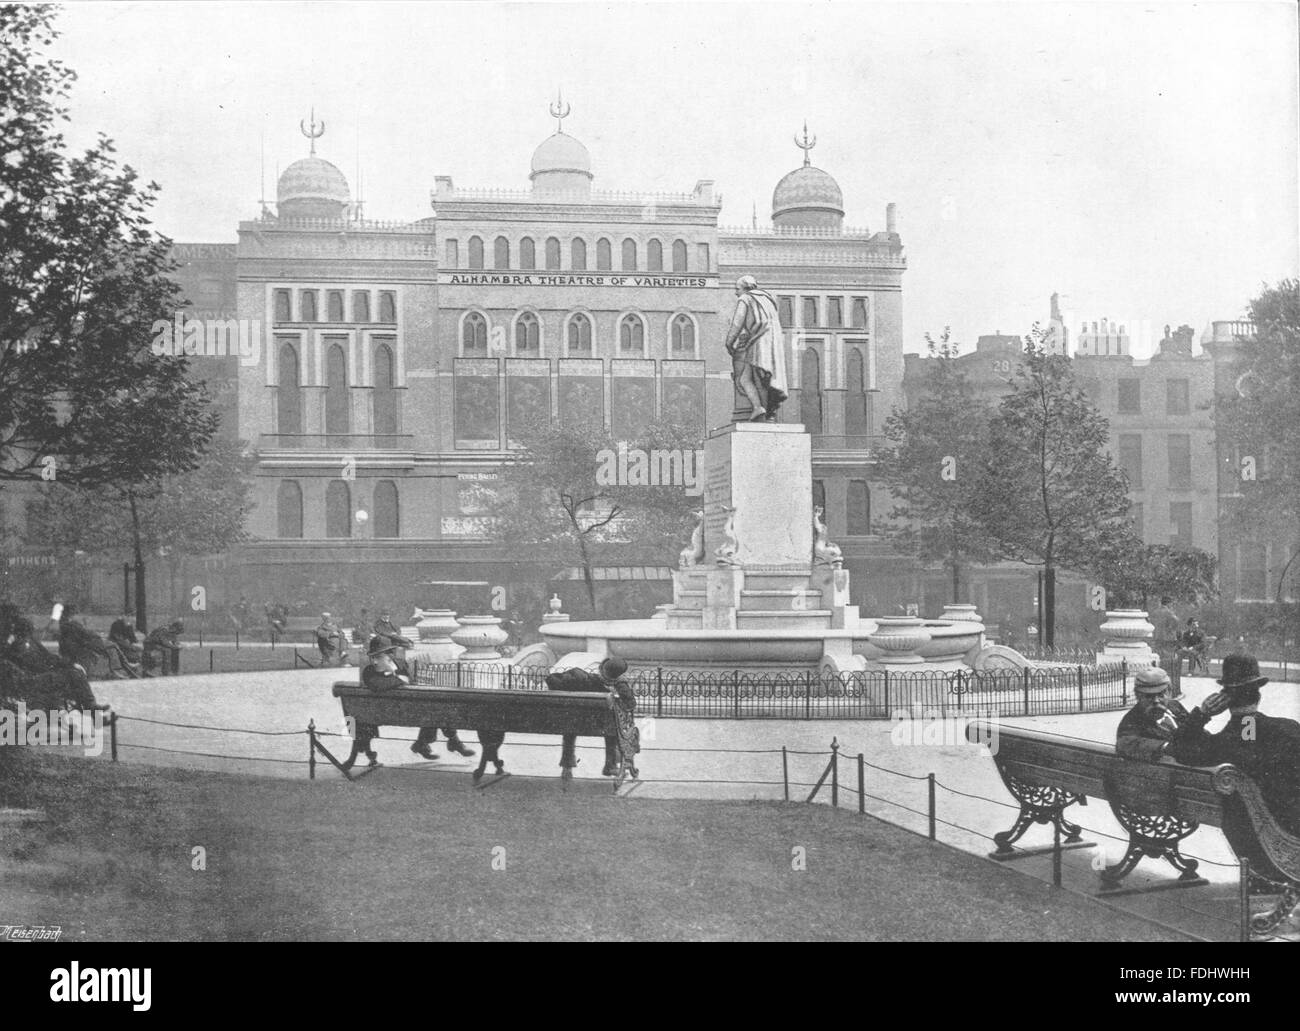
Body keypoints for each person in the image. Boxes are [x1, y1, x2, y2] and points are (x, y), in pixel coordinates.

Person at [1167, 654, 1300, 875]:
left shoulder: (1220, 745)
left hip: (1257, 840)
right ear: (1258, 692)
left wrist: (1200, 716)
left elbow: (1179, 748)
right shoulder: (1288, 730)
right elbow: (1250, 734)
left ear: (1225, 698)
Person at [546, 657, 639, 777]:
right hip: (601, 725)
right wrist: (620, 685)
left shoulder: (582, 679)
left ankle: (567, 766)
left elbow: (551, 681)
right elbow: (631, 704)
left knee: (569, 728)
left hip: (574, 722)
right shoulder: (615, 686)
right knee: (613, 728)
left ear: (601, 669)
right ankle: (610, 766)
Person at [722, 275, 789, 422]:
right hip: (772, 345)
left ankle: (760, 409)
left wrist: (729, 342)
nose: (736, 293)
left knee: (753, 379)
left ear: (746, 289)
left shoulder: (746, 298)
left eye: (737, 289)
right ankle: (763, 410)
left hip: (758, 344)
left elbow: (737, 323)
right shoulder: (768, 301)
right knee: (756, 379)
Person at [3, 614, 98, 710]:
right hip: (34, 680)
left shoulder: (30, 642)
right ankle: (91, 707)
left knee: (75, 673)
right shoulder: (17, 646)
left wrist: (71, 664)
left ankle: (92, 708)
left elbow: (48, 656)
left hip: (40, 676)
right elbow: (37, 663)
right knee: (74, 674)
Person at [1115, 667, 1189, 762]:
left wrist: (1202, 715)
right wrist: (1166, 747)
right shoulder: (1131, 722)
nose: (1156, 701)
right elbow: (1124, 744)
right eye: (1149, 696)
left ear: (1169, 692)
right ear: (1137, 696)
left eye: (1161, 695)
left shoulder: (1175, 706)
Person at [57, 605, 119, 678]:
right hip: (81, 648)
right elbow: (86, 635)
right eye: (77, 613)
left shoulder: (65, 624)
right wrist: (97, 636)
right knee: (113, 646)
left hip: (73, 648)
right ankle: (117, 669)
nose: (78, 615)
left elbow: (84, 635)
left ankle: (118, 668)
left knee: (110, 645)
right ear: (72, 614)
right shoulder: (73, 625)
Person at [1150, 596, 1183, 698]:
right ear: (1169, 603)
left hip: (1157, 638)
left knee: (1157, 661)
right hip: (1167, 640)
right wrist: (1170, 629)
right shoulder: (1169, 612)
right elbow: (1176, 621)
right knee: (1169, 663)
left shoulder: (1155, 612)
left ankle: (1157, 686)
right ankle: (1170, 689)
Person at [371, 609, 414, 675]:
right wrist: (391, 634)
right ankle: (407, 642)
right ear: (381, 616)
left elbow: (397, 630)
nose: (386, 617)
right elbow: (380, 632)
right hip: (385, 640)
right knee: (396, 640)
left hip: (392, 639)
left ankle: (407, 643)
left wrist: (395, 633)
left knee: (397, 640)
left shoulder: (390, 623)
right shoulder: (378, 623)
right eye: (385, 615)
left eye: (387, 615)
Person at [108, 611, 143, 676]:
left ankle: (137, 669)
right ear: (123, 616)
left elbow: (133, 639)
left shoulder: (129, 625)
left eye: (132, 616)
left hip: (126, 645)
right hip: (117, 645)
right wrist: (131, 646)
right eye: (128, 616)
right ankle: (130, 668)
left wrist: (137, 644)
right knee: (132, 651)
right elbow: (117, 639)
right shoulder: (116, 624)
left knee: (140, 649)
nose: (130, 618)